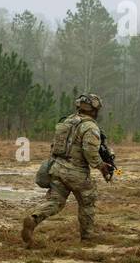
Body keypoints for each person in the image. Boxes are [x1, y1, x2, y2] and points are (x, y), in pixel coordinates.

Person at [21, 93, 107, 246]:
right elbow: (90, 151)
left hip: (57, 168)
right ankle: (87, 236)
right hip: (77, 172)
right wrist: (102, 166)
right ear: (95, 110)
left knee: (55, 201)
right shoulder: (90, 127)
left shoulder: (67, 121)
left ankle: (33, 218)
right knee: (87, 201)